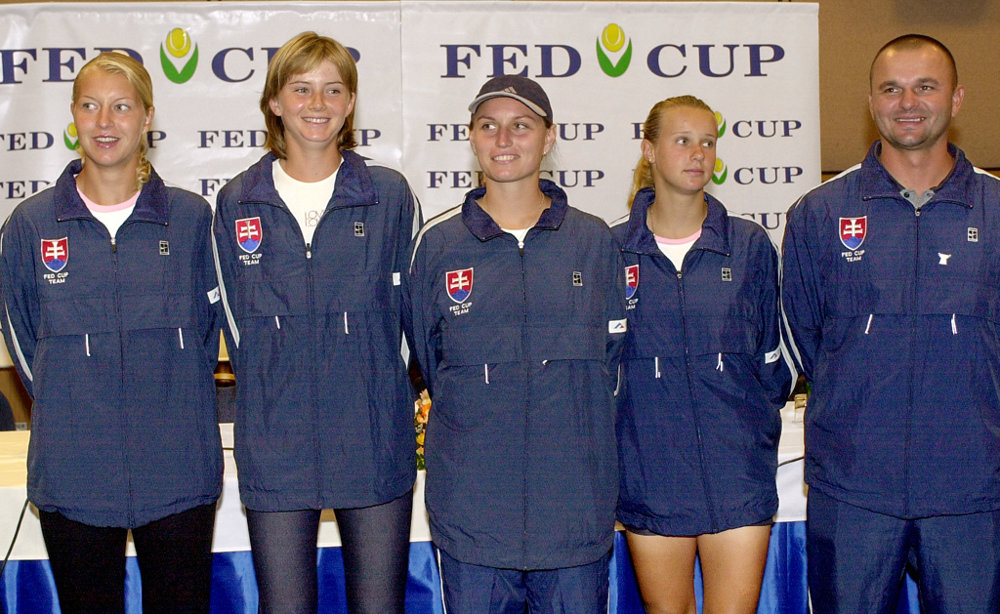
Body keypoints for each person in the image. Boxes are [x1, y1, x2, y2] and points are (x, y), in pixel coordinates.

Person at [782, 34, 1000, 613]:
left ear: (955, 99)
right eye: (891, 88)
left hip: (975, 490)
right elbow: (807, 340)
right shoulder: (820, 213)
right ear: (871, 102)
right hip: (853, 490)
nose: (908, 101)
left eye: (925, 86)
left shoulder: (998, 212)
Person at [0, 52, 222, 614]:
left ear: (147, 117)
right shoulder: (29, 226)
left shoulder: (193, 219)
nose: (105, 122)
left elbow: (207, 336)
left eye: (122, 107)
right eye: (91, 106)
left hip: (177, 470)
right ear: (73, 115)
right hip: (74, 475)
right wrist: (75, 402)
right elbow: (27, 346)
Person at [403, 75, 627, 613]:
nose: (504, 139)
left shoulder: (594, 241)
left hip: (574, 513)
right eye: (489, 126)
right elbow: (429, 363)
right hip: (474, 516)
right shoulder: (437, 245)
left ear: (549, 138)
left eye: (521, 126)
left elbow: (613, 365)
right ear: (472, 138)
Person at [212, 32, 419, 614]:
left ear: (351, 103)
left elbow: (409, 326)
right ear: (275, 102)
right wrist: (274, 396)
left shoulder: (389, 196)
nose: (318, 103)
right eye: (301, 89)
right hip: (275, 443)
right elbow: (235, 325)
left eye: (333, 89)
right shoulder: (237, 202)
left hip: (374, 440)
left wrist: (376, 393)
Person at [612, 95, 794, 614]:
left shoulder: (750, 245)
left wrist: (747, 430)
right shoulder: (610, 249)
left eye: (708, 142)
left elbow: (771, 362)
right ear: (649, 149)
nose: (698, 153)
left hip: (737, 473)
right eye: (682, 140)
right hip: (651, 474)